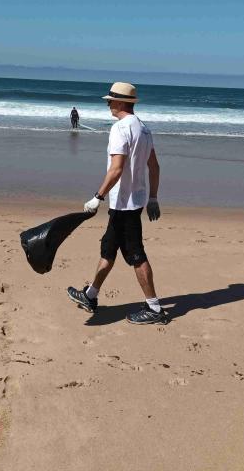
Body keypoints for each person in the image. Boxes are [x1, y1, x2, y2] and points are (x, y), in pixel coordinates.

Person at [67, 82, 166, 324]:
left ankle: (154, 308)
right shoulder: (144, 129)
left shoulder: (120, 128)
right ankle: (91, 295)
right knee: (108, 248)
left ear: (121, 102)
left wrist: (97, 197)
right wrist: (153, 197)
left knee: (136, 254)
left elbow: (117, 169)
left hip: (125, 204)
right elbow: (154, 167)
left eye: (110, 100)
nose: (108, 104)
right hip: (135, 201)